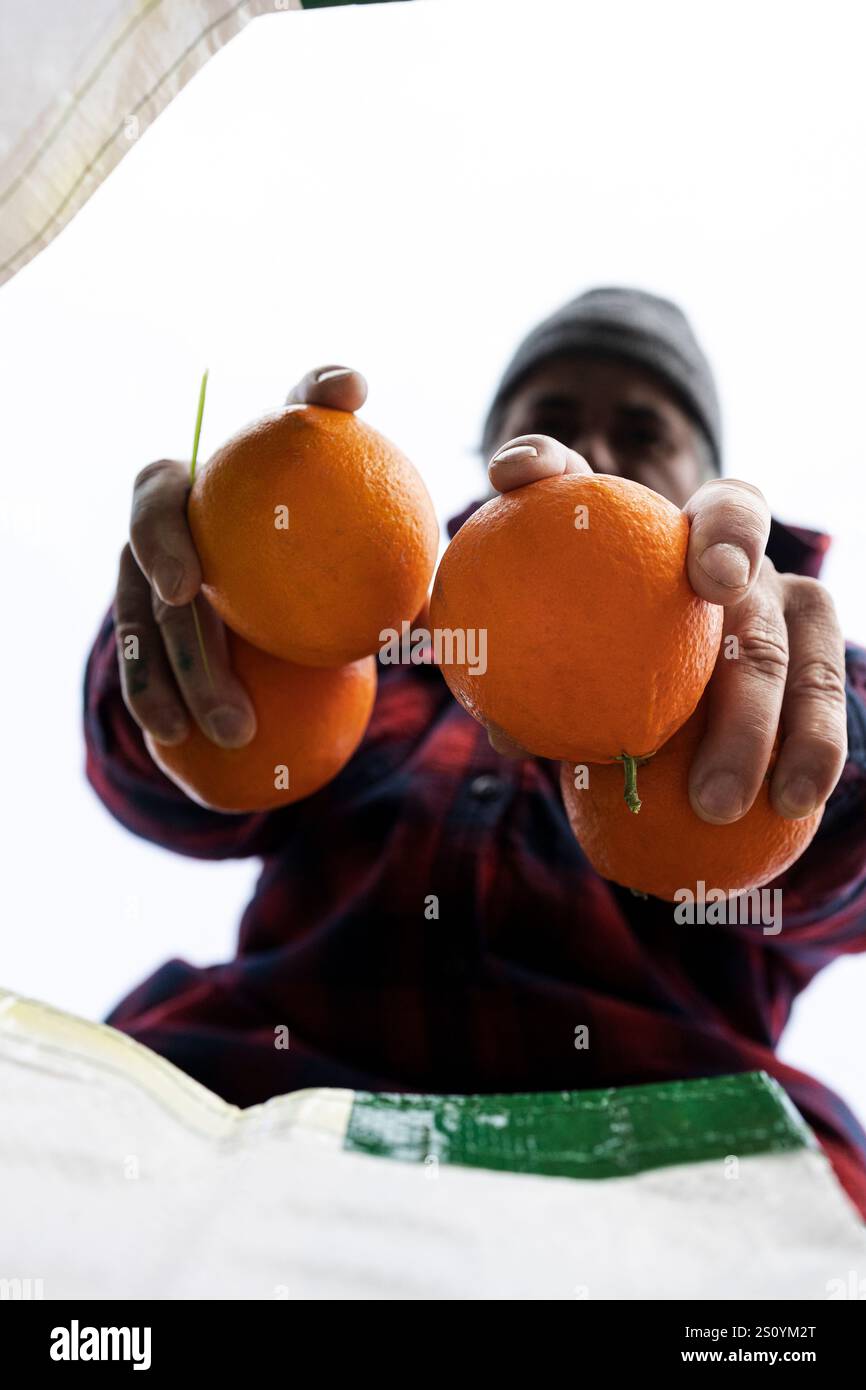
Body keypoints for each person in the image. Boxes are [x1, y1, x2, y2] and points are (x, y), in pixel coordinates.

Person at [84, 287, 866, 1215]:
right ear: (497, 450)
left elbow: (839, 880)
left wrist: (802, 737)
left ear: (706, 473)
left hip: (670, 1161)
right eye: (556, 418)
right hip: (245, 1105)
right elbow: (164, 789)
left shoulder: (770, 658)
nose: (600, 454)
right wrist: (202, 590)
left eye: (645, 432)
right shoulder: (363, 635)